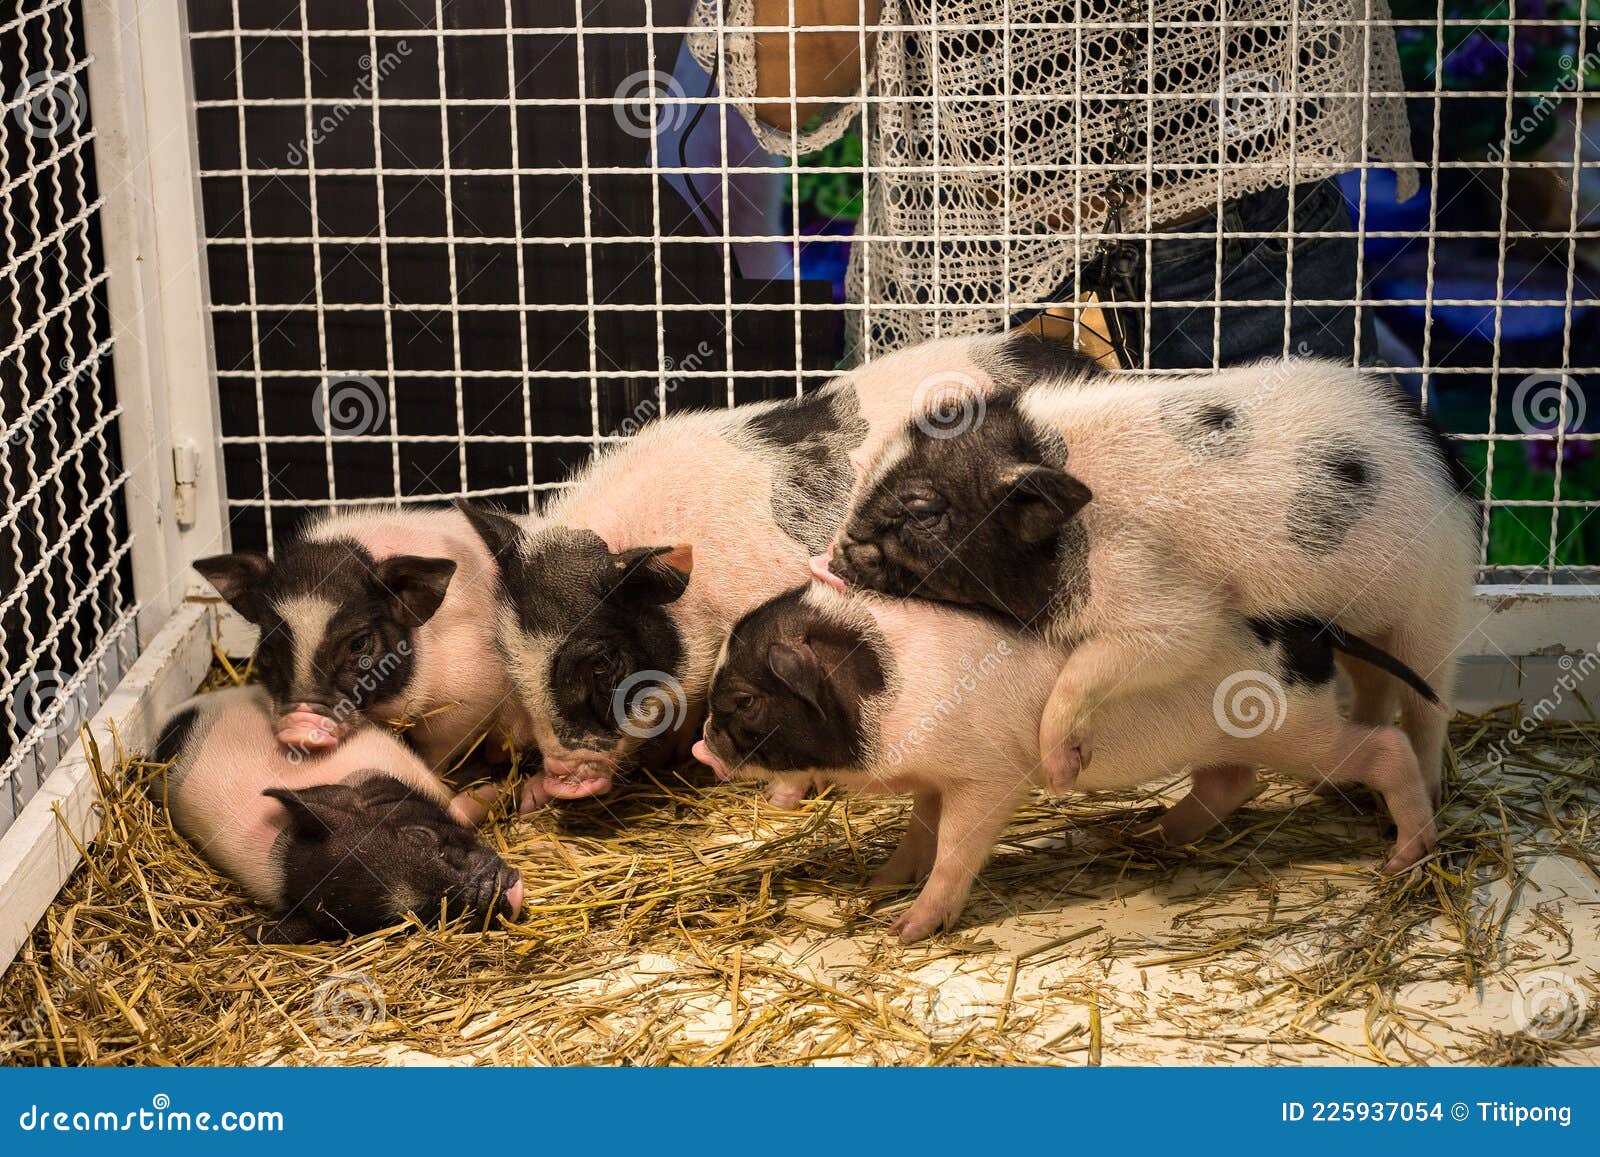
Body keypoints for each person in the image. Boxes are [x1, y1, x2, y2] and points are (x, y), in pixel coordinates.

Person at [690, 0, 1416, 369]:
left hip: (1249, 250)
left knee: (1302, 647)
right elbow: (793, 87)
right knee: (967, 641)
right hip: (984, 293)